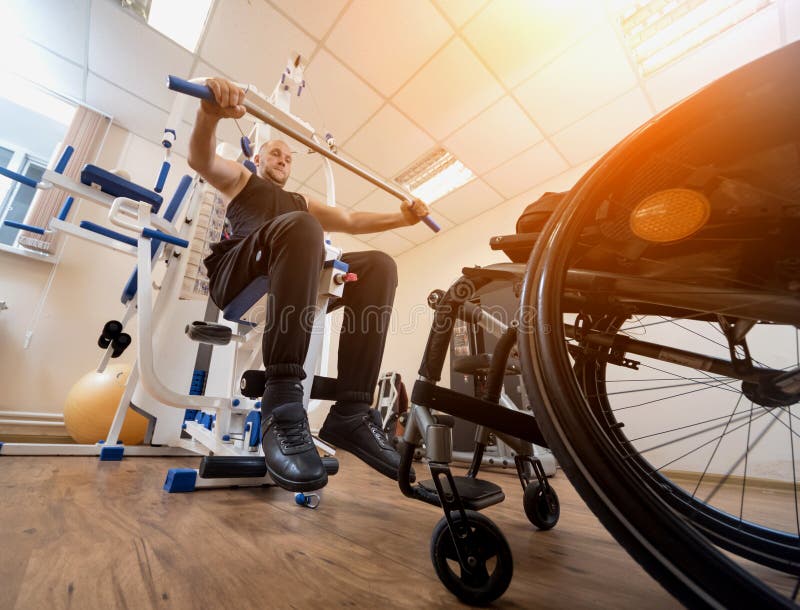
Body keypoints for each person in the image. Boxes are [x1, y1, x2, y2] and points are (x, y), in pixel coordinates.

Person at [188, 78, 429, 492]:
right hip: (237, 273)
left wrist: (402, 218)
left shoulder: (300, 204)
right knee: (303, 229)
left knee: (378, 266)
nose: (282, 159)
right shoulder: (242, 180)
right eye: (275, 153)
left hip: (291, 266)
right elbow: (202, 159)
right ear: (259, 157)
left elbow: (352, 221)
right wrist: (209, 115)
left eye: (287, 156)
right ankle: (281, 402)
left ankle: (352, 409)